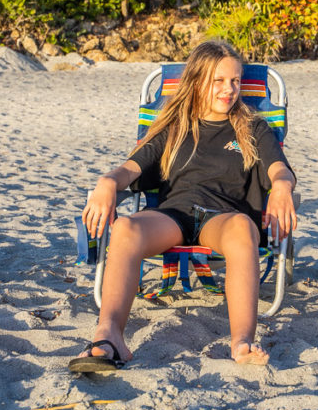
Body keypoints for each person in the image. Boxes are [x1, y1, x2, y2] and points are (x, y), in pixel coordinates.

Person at [69, 39, 297, 373]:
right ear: (196, 81)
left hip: (224, 218)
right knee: (126, 227)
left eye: (235, 81)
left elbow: (278, 166)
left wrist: (281, 185)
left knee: (243, 228)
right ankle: (110, 335)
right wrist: (107, 182)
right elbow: (132, 167)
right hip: (173, 215)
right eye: (218, 81)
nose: (229, 89)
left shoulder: (251, 127)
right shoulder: (173, 126)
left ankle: (242, 341)